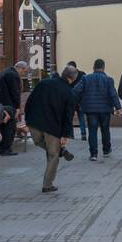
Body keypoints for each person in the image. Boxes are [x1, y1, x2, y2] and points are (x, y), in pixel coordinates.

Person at [24, 65, 79, 194]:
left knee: (38, 142)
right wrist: (65, 135)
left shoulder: (44, 83)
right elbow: (68, 116)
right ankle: (47, 185)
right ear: (73, 79)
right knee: (53, 155)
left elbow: (29, 101)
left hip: (34, 123)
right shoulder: (69, 92)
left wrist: (27, 118)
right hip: (52, 128)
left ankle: (61, 151)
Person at [73, 58, 121, 160]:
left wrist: (79, 101)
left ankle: (93, 154)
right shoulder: (109, 80)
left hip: (90, 110)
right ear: (103, 67)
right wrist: (118, 107)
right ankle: (106, 150)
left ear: (94, 67)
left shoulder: (86, 78)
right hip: (105, 110)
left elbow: (76, 91)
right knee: (105, 130)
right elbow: (113, 94)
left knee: (92, 131)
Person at [0, 60, 28, 156]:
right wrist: (18, 107)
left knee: (1, 126)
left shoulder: (5, 71)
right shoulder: (13, 75)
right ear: (20, 68)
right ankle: (5, 149)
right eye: (23, 71)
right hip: (8, 105)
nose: (22, 74)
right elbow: (15, 92)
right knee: (9, 127)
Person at [65, 60, 88, 145]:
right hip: (80, 99)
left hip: (71, 100)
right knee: (80, 117)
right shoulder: (82, 74)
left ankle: (71, 135)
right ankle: (83, 134)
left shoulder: (68, 76)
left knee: (70, 118)